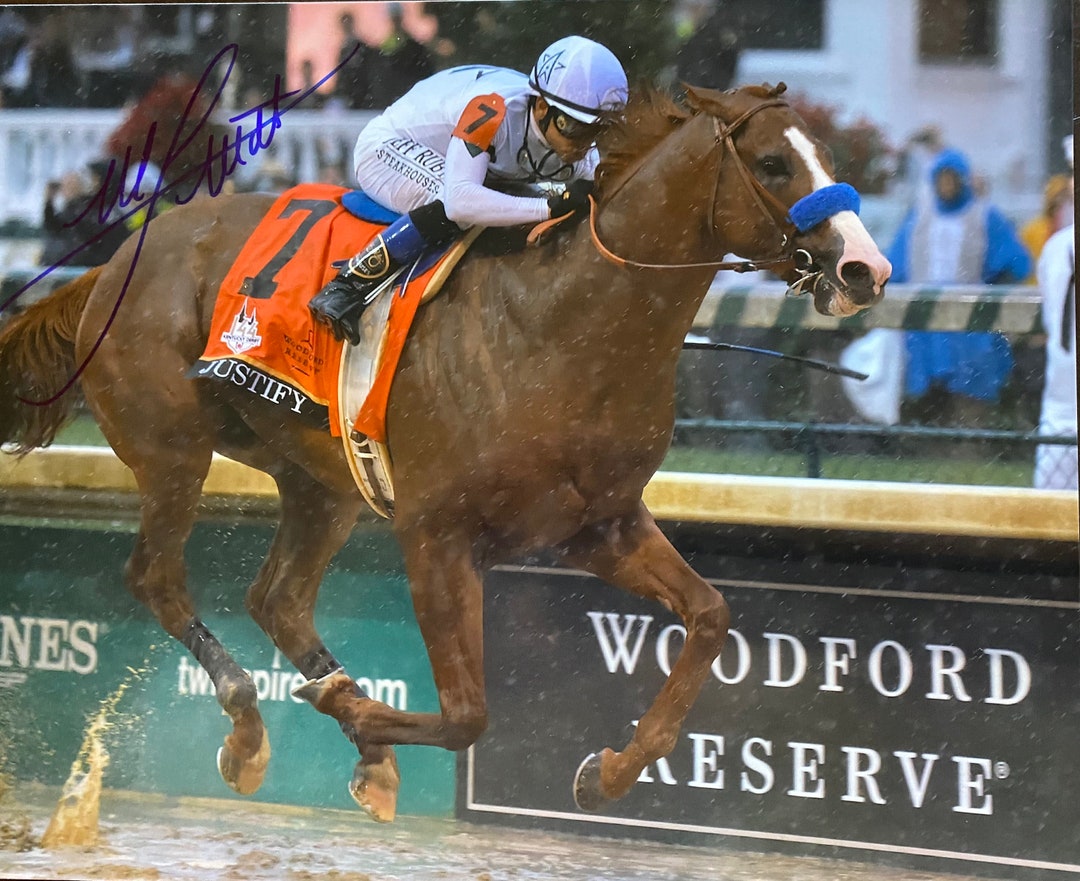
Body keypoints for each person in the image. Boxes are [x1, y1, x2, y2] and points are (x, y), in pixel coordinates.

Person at [309, 35, 629, 345]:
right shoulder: (490, 108)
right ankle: (347, 285)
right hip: (388, 147)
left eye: (597, 131)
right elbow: (461, 202)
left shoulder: (579, 141)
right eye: (574, 128)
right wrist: (549, 207)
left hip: (460, 158)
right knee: (456, 204)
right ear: (542, 108)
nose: (584, 145)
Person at [1033, 225, 1076, 490]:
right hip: (1060, 410)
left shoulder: (1057, 245)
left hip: (1060, 409)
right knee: (1049, 519)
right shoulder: (1057, 246)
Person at [1019, 173, 1073, 281]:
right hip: (1037, 288)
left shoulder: (1068, 229)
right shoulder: (1033, 229)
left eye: (1066, 197)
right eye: (1058, 197)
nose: (1061, 202)